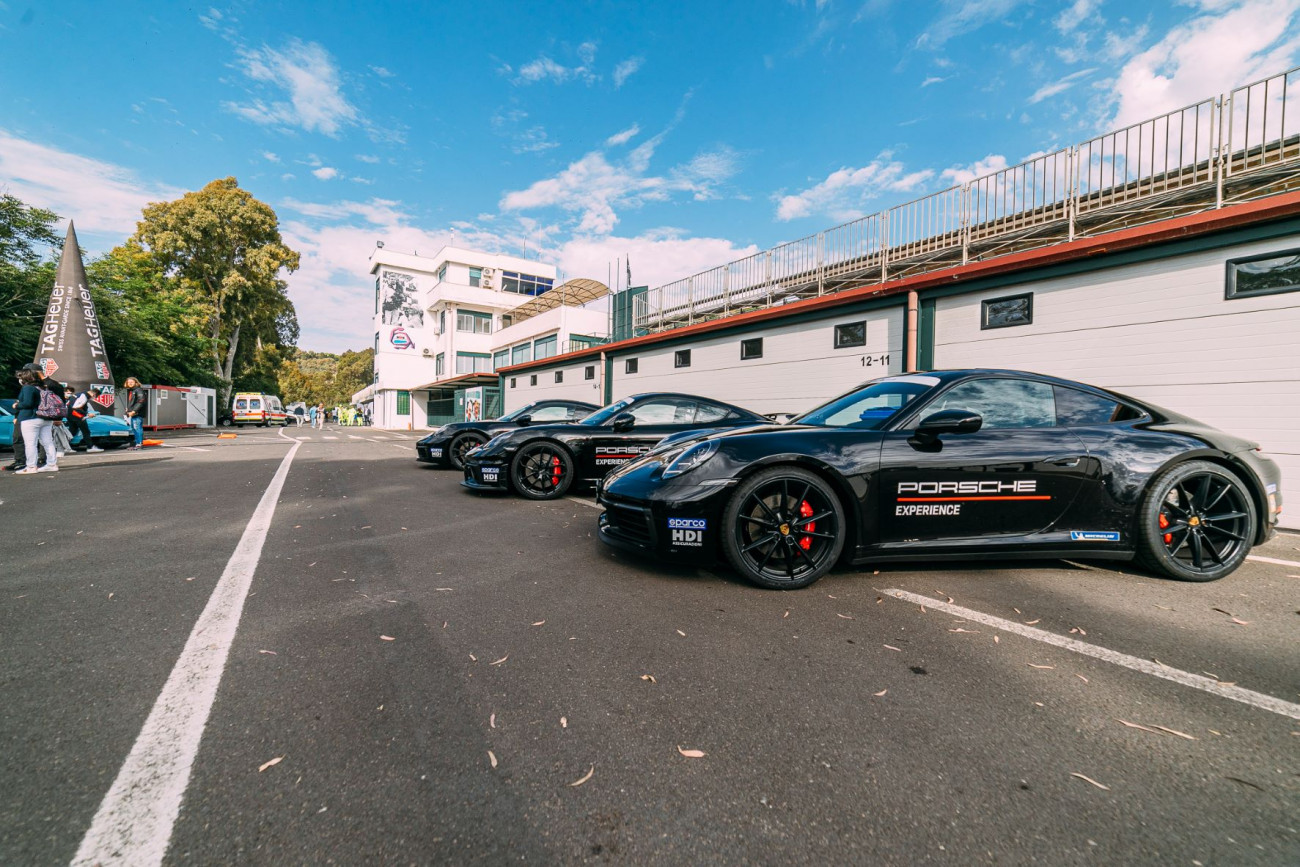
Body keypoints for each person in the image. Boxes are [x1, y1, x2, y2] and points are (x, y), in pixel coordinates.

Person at [14, 368, 58, 474]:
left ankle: (31, 467)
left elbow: (28, 403)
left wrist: (17, 405)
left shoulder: (27, 388)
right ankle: (52, 464)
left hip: (30, 418)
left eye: (20, 377)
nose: (19, 379)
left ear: (25, 377)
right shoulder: (42, 388)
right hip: (46, 418)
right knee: (48, 442)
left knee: (30, 444)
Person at [65, 385, 102, 452]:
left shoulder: (80, 394)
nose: (95, 398)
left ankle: (65, 447)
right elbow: (75, 407)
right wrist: (87, 414)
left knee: (72, 431)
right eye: (96, 396)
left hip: (70, 415)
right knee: (86, 431)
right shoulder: (84, 396)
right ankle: (90, 447)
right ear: (94, 394)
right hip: (77, 416)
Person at [123, 377, 147, 449]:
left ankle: (139, 444)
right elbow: (135, 402)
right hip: (134, 413)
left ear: (136, 383)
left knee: (137, 428)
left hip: (137, 413)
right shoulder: (133, 391)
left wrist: (134, 411)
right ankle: (138, 443)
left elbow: (141, 401)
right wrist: (129, 409)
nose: (130, 383)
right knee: (135, 428)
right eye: (128, 382)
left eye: (132, 382)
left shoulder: (138, 390)